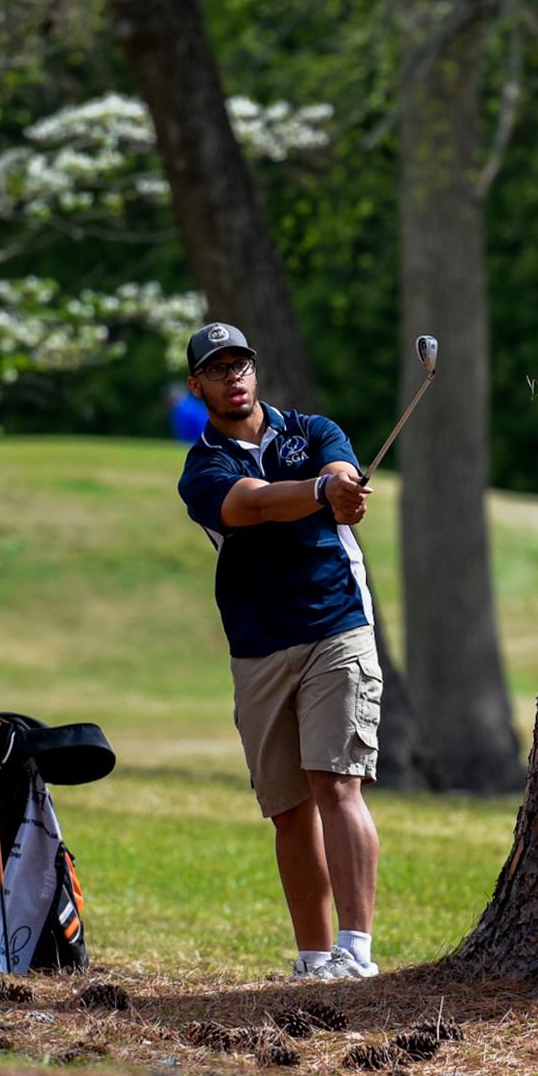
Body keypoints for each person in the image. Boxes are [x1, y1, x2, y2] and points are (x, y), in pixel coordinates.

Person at [175, 321, 383, 981]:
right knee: (289, 809)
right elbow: (254, 506)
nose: (232, 377)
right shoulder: (203, 466)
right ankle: (315, 958)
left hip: (336, 626)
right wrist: (322, 494)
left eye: (240, 365)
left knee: (337, 783)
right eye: (217, 369)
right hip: (259, 647)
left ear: (254, 372)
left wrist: (341, 487)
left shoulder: (314, 430)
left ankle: (356, 951)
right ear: (197, 384)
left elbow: (341, 471)